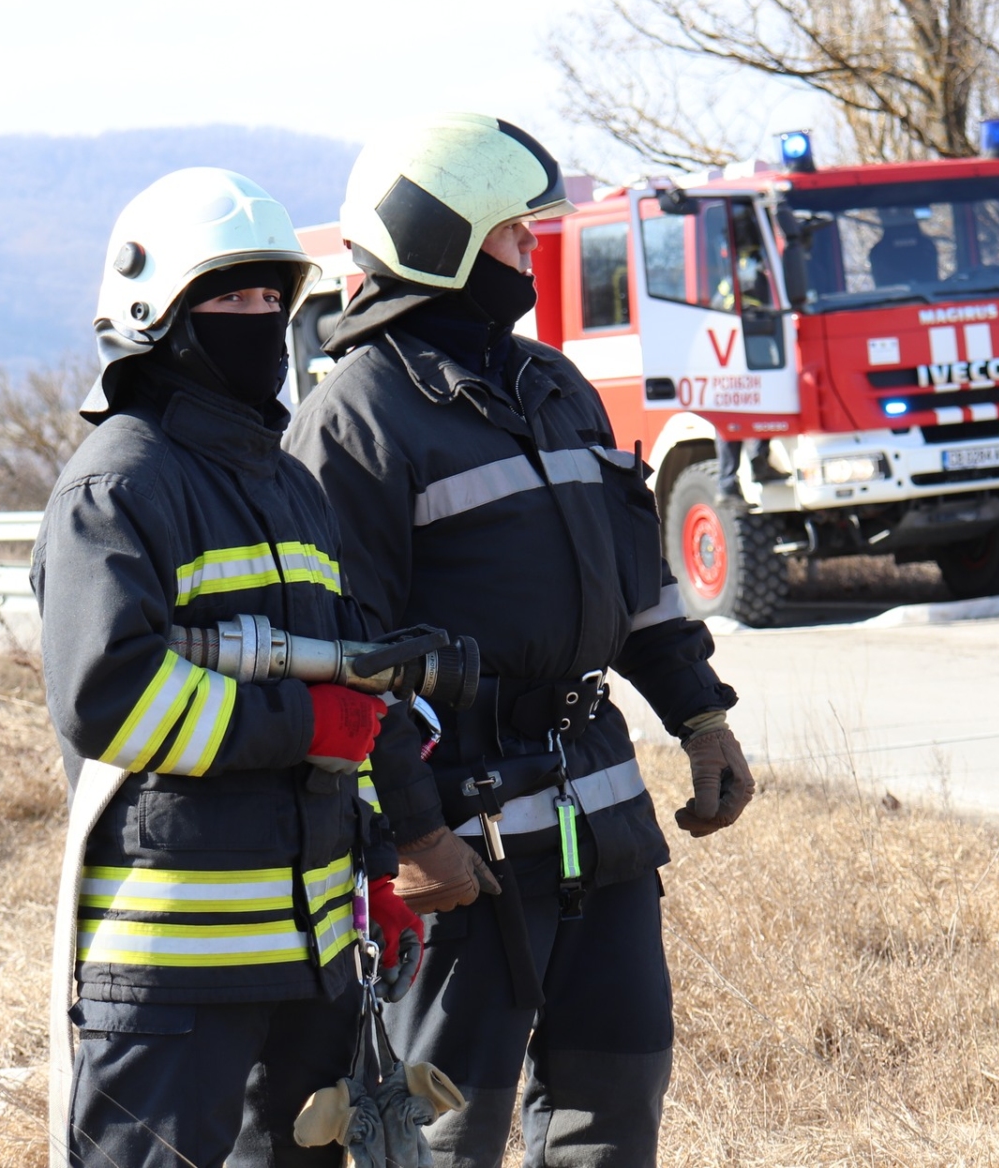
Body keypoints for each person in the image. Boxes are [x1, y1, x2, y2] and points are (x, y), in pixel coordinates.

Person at [285, 113, 757, 1168]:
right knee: (446, 1135)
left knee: (616, 1105)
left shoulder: (554, 384)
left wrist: (701, 715)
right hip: (464, 845)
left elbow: (637, 582)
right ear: (435, 240)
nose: (531, 252)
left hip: (605, 819)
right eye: (511, 234)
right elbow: (342, 659)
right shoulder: (356, 420)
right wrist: (411, 834)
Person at [32, 167, 425, 1168]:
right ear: (154, 311)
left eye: (268, 298)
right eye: (229, 297)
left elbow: (351, 697)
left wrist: (373, 872)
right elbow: (109, 694)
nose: (256, 318)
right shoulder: (120, 483)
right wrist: (299, 723)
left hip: (312, 956)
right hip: (173, 970)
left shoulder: (291, 485)